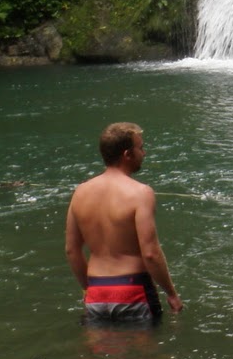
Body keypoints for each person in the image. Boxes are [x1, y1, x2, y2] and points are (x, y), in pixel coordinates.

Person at [65, 122, 183, 324]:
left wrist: (88, 289)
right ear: (127, 154)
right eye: (141, 147)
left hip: (96, 292)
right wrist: (171, 293)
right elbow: (150, 253)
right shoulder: (140, 193)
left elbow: (72, 250)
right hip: (134, 289)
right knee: (145, 355)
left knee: (99, 354)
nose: (144, 153)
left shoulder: (80, 192)